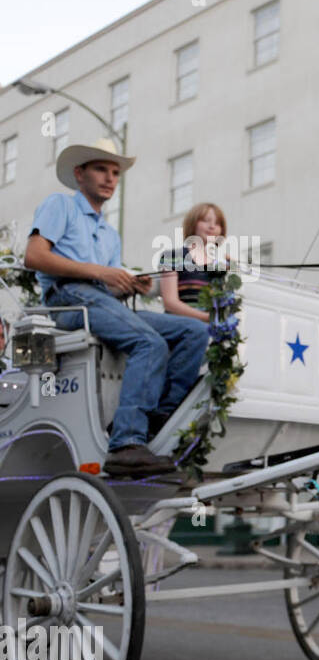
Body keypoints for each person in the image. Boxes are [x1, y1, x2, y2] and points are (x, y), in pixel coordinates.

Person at [25, 138, 208, 477]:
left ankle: (155, 424)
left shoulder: (109, 234)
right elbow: (34, 256)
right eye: (101, 169)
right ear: (80, 174)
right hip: (67, 300)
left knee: (194, 331)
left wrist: (128, 284)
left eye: (115, 173)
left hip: (100, 302)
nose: (110, 178)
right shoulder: (59, 206)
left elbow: (106, 289)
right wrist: (103, 273)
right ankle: (125, 443)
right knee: (150, 343)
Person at [157, 202, 232, 322]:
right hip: (182, 325)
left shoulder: (223, 263)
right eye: (205, 220)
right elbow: (170, 303)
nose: (212, 226)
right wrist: (207, 318)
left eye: (217, 223)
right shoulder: (172, 257)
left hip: (216, 330)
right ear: (193, 223)